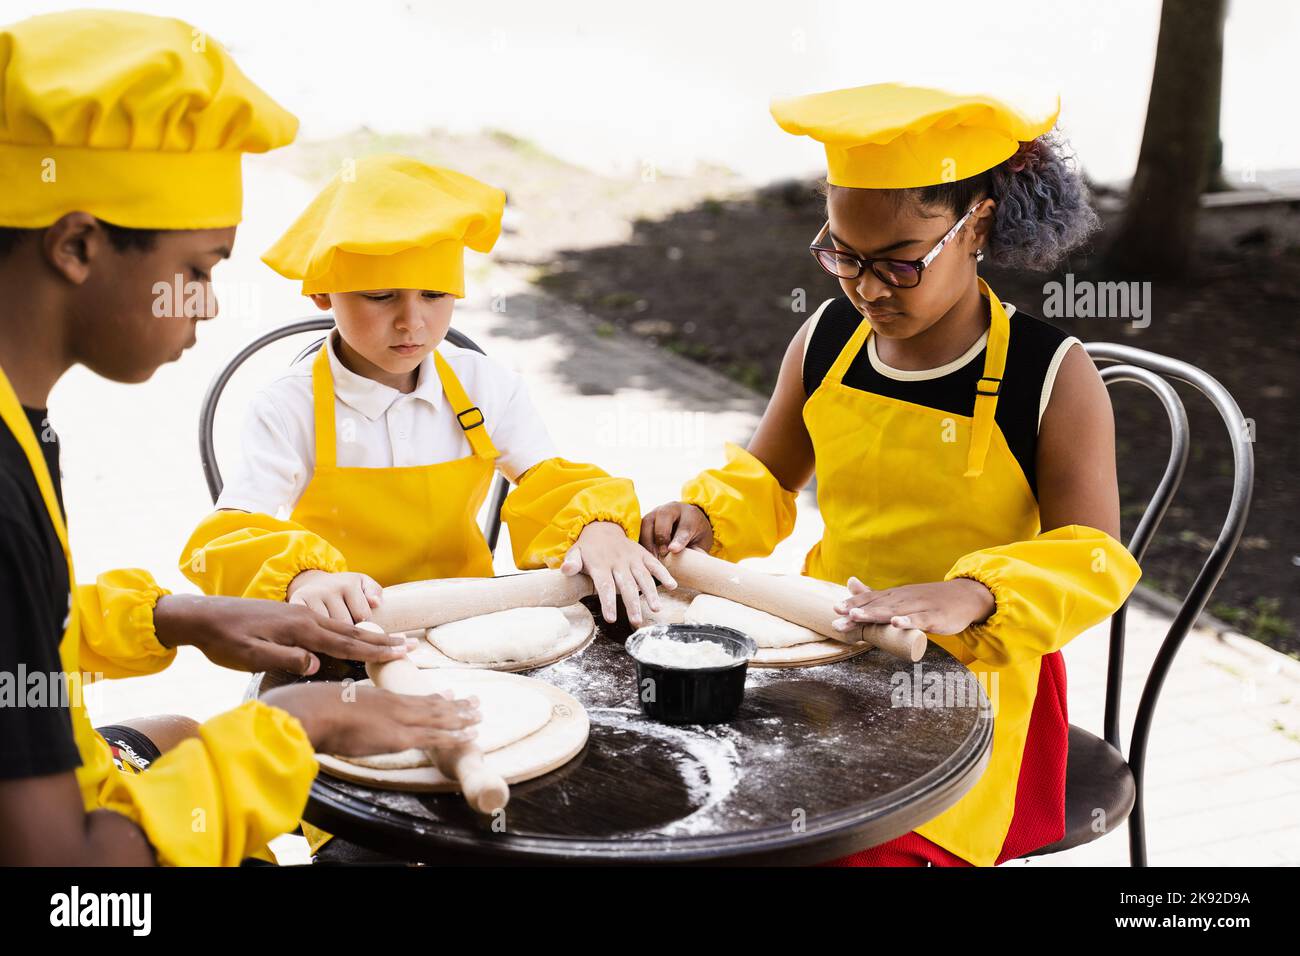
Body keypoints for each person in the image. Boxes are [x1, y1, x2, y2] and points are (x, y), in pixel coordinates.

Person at [0, 10, 479, 866]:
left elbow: (29, 632)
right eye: (196, 272)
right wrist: (283, 733)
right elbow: (65, 893)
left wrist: (173, 616)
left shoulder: (18, 414)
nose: (208, 306)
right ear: (77, 244)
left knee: (179, 731)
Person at [641, 82, 1142, 866]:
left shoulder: (1051, 375)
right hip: (827, 649)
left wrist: (975, 593)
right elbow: (767, 474)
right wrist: (705, 517)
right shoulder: (831, 335)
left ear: (976, 224)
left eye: (900, 263)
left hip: (968, 688)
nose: (867, 287)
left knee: (852, 852)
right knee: (697, 804)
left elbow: (1095, 555)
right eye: (844, 254)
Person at [178, 153, 676, 857]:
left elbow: (548, 476)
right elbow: (234, 531)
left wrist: (596, 525)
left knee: (536, 792)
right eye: (380, 297)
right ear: (322, 295)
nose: (412, 322)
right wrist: (303, 580)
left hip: (468, 637)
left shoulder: (482, 386)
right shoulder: (287, 407)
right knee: (373, 835)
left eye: (435, 296)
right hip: (336, 652)